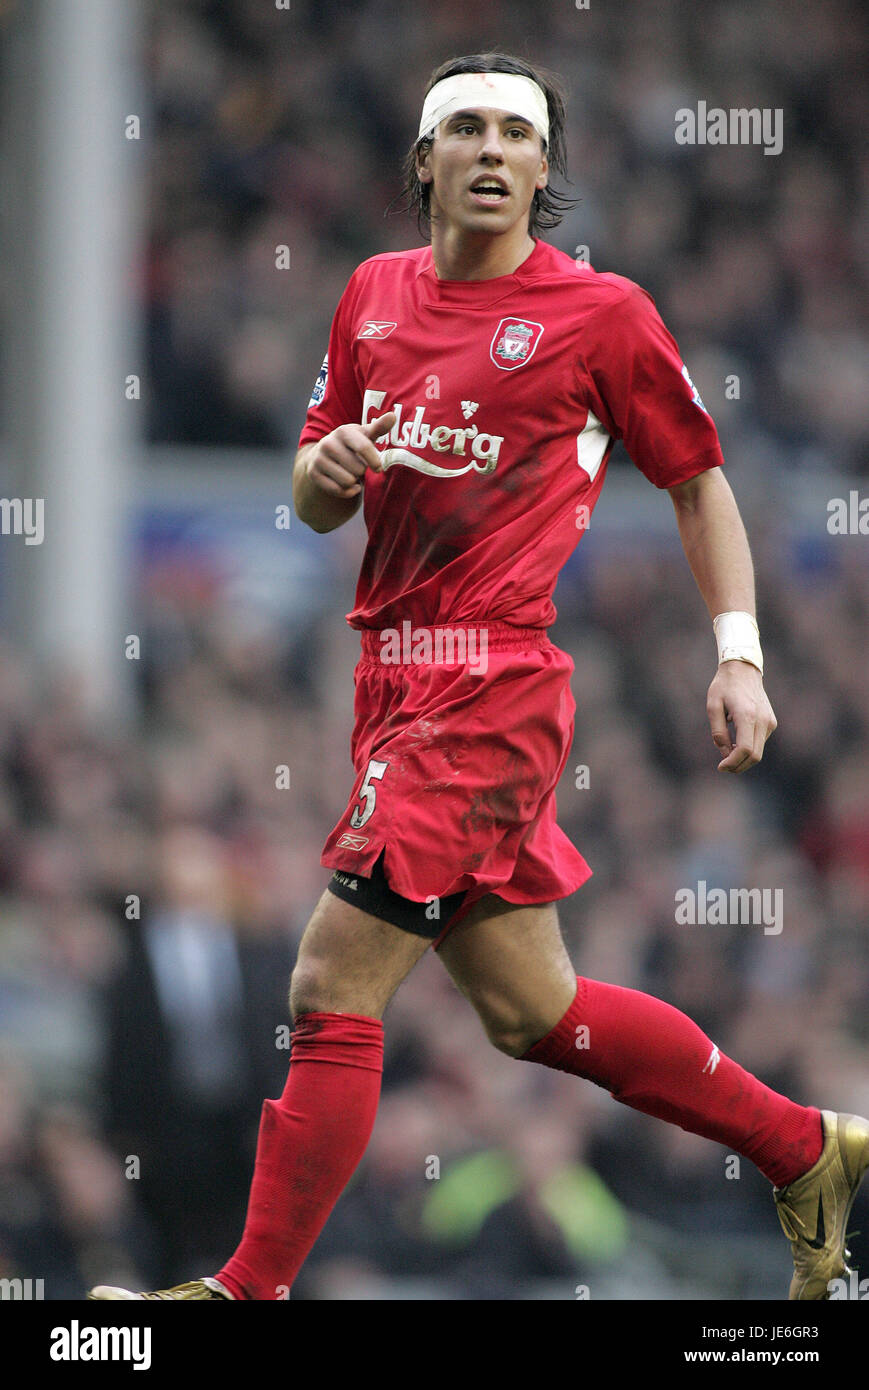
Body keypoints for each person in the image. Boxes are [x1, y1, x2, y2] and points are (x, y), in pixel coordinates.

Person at [90, 51, 868, 1303]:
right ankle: (802, 1148)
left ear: (543, 168)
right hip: (389, 686)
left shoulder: (600, 313)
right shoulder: (369, 295)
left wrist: (739, 657)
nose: (494, 149)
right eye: (469, 129)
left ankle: (245, 1291)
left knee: (328, 980)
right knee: (532, 1013)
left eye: (519, 132)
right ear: (425, 162)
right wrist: (325, 471)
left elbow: (697, 480)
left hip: (489, 690)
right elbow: (305, 492)